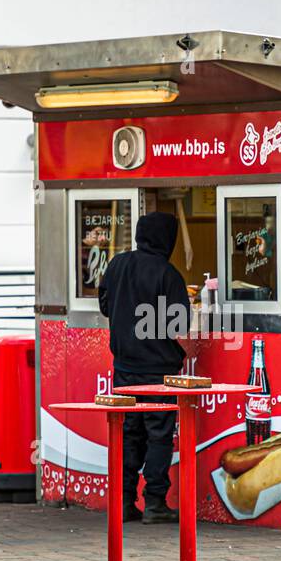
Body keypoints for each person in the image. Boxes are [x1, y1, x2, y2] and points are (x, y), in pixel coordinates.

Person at [98, 212, 189, 525]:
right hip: (159, 371)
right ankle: (155, 502)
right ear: (168, 239)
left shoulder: (117, 265)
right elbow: (180, 324)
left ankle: (124, 501)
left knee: (128, 434)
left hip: (123, 367)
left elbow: (106, 305)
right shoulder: (168, 274)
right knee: (159, 435)